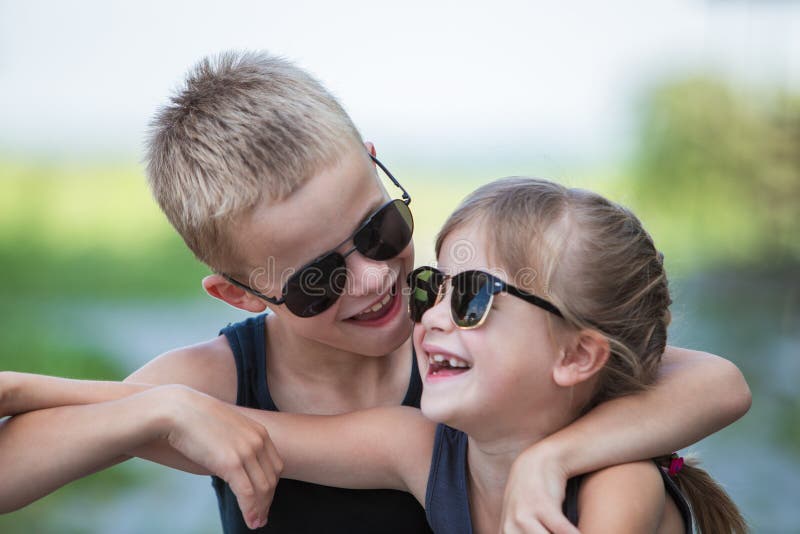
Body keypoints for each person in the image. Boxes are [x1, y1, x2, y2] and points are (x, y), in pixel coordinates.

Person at [0, 51, 751, 533]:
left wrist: (552, 458)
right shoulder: (220, 384)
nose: (373, 279)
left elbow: (711, 381)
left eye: (380, 229)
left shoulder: (471, 334)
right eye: (318, 280)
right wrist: (164, 409)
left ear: (374, 164)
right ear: (238, 294)